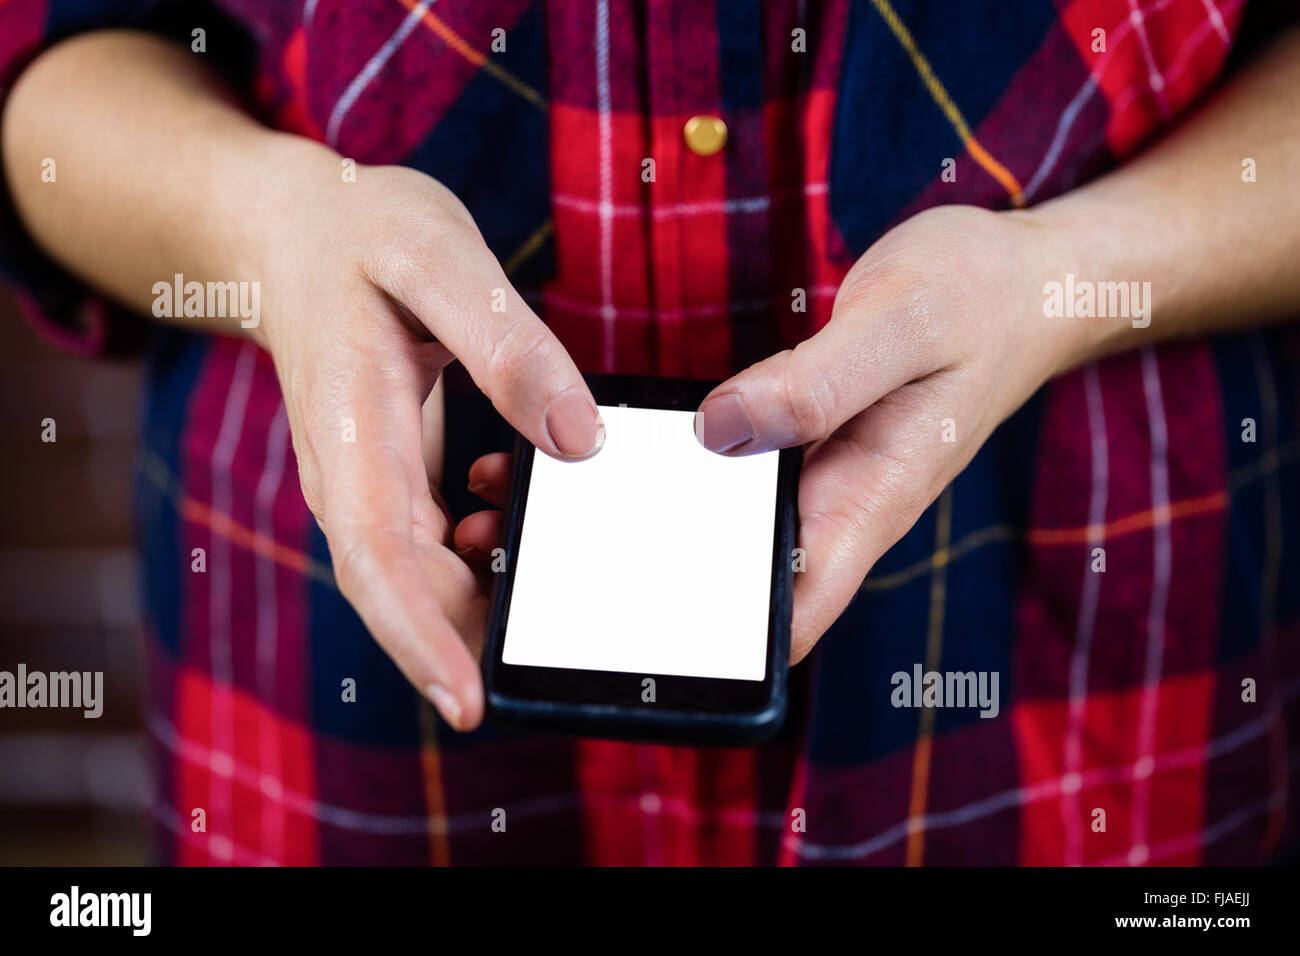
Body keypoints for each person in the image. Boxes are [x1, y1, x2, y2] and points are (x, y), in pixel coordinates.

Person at [1, 0, 1297, 866]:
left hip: (1082, 682)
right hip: (340, 690)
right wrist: (274, 226)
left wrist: (1061, 278)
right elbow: (51, 67)